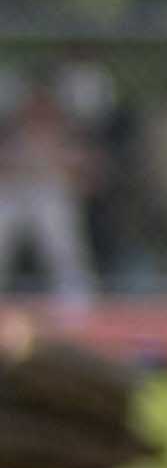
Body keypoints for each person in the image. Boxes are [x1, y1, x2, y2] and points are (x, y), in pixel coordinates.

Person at [0, 72, 94, 323]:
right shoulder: (11, 130)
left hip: (49, 195)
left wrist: (57, 164)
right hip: (13, 196)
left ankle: (76, 308)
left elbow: (82, 171)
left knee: (60, 239)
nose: (37, 108)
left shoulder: (64, 131)